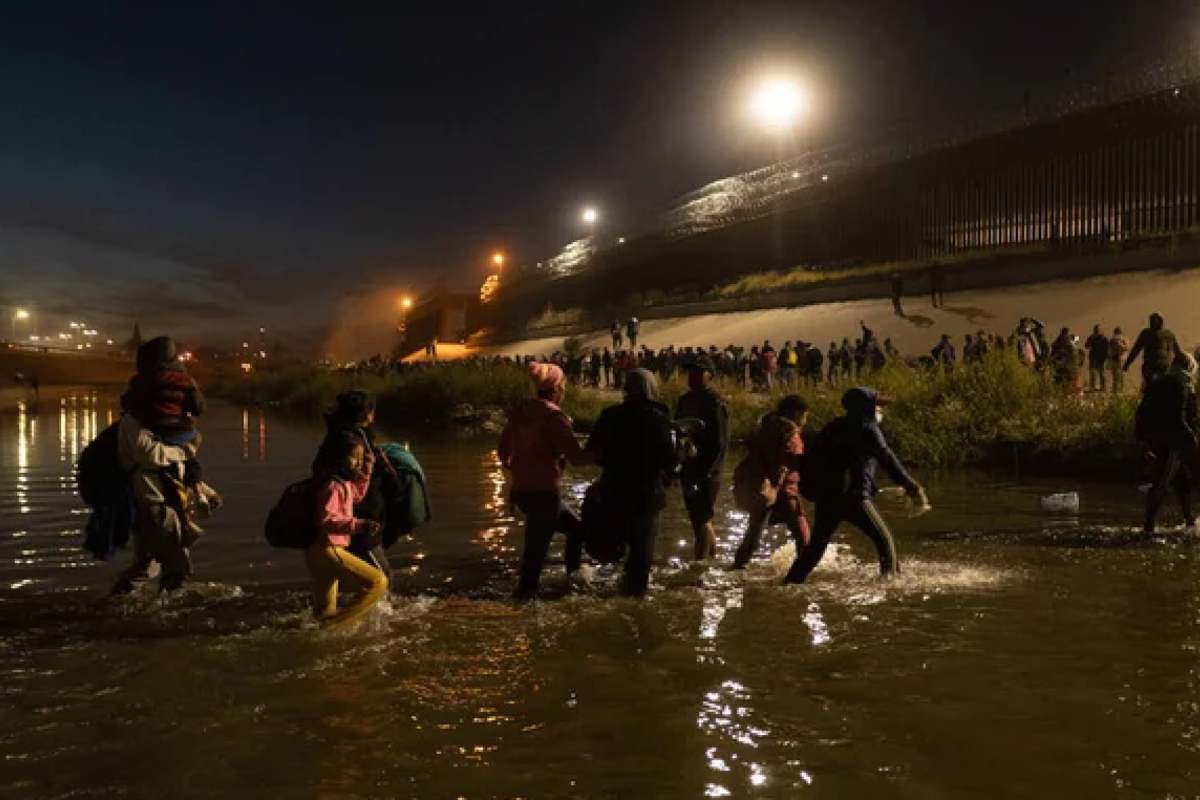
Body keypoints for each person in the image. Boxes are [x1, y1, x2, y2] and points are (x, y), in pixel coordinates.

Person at [784, 387, 928, 583]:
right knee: (885, 541)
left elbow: (815, 456)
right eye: (877, 406)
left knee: (815, 549)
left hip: (827, 497)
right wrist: (912, 487)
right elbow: (887, 459)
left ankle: (791, 583)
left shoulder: (834, 426)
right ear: (866, 408)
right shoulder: (867, 428)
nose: (880, 410)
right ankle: (892, 587)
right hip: (853, 497)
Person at [498, 362, 592, 598]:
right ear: (557, 388)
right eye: (564, 386)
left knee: (577, 530)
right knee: (534, 559)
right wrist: (602, 452)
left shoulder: (520, 413)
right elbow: (576, 457)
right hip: (545, 494)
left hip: (522, 492)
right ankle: (524, 604)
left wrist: (521, 470)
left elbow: (503, 453)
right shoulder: (554, 417)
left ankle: (572, 581)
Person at [585, 369, 677, 596]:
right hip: (648, 497)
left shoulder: (610, 415)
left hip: (614, 492)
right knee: (641, 562)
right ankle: (635, 607)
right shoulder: (660, 419)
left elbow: (592, 451)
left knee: (613, 549)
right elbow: (671, 460)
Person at [111, 413, 206, 594]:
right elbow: (149, 455)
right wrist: (186, 449)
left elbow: (184, 468)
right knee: (178, 566)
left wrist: (202, 492)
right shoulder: (134, 423)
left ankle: (113, 605)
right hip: (153, 505)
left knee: (146, 565)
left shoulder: (162, 429)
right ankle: (172, 613)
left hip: (159, 506)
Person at [314, 391, 403, 581]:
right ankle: (377, 610)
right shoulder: (347, 441)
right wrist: (361, 524)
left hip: (358, 520)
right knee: (381, 578)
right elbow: (332, 514)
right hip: (358, 520)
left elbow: (357, 490)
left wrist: (370, 467)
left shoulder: (351, 435)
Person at [306, 432, 389, 625]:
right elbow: (327, 520)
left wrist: (367, 469)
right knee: (377, 583)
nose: (358, 463)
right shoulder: (333, 486)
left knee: (324, 613)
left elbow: (357, 496)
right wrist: (360, 525)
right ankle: (337, 627)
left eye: (361, 459)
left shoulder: (342, 484)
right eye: (354, 458)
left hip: (319, 553)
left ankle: (322, 637)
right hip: (329, 551)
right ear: (338, 457)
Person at [732, 395, 811, 569]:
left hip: (762, 487)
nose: (805, 421)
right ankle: (803, 574)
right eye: (805, 416)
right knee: (803, 536)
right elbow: (785, 464)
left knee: (753, 534)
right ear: (798, 414)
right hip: (782, 489)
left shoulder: (767, 426)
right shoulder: (791, 433)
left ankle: (738, 567)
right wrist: (776, 486)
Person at [674, 354, 730, 560]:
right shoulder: (685, 399)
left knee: (702, 517)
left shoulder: (715, 402)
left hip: (707, 471)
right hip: (688, 467)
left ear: (710, 376)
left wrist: (704, 473)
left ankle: (699, 564)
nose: (693, 377)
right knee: (698, 518)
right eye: (691, 372)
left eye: (699, 373)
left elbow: (720, 443)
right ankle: (710, 560)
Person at [1135, 353, 1198, 533]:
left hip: (1156, 439)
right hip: (1173, 442)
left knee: (1182, 480)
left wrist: (1141, 440)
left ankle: (1189, 521)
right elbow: (1180, 417)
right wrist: (1191, 439)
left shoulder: (1157, 383)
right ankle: (1148, 528)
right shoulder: (1182, 385)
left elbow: (1140, 413)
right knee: (1162, 482)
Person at [1124, 312, 1179, 385]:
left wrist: (1126, 365)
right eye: (1153, 320)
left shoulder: (1148, 333)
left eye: (1156, 320)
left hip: (1159, 367)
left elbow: (1136, 350)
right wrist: (1127, 364)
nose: (1155, 322)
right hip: (1154, 367)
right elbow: (1135, 350)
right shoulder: (1168, 333)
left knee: (1155, 389)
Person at [1085, 325, 1109, 392]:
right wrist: (1091, 339)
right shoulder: (1092, 337)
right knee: (1093, 374)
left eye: (1097, 330)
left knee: (1102, 374)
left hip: (1101, 359)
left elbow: (1107, 348)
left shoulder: (1104, 339)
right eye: (1096, 330)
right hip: (1093, 359)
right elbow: (1086, 346)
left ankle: (1103, 388)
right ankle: (1093, 387)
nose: (1097, 332)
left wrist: (1106, 358)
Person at [1108, 327, 1129, 394]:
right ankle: (1115, 392)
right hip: (1114, 360)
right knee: (1115, 377)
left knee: (1122, 377)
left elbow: (1126, 348)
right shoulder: (1112, 340)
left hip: (1122, 361)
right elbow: (1109, 351)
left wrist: (1119, 344)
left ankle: (1121, 392)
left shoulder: (1124, 339)